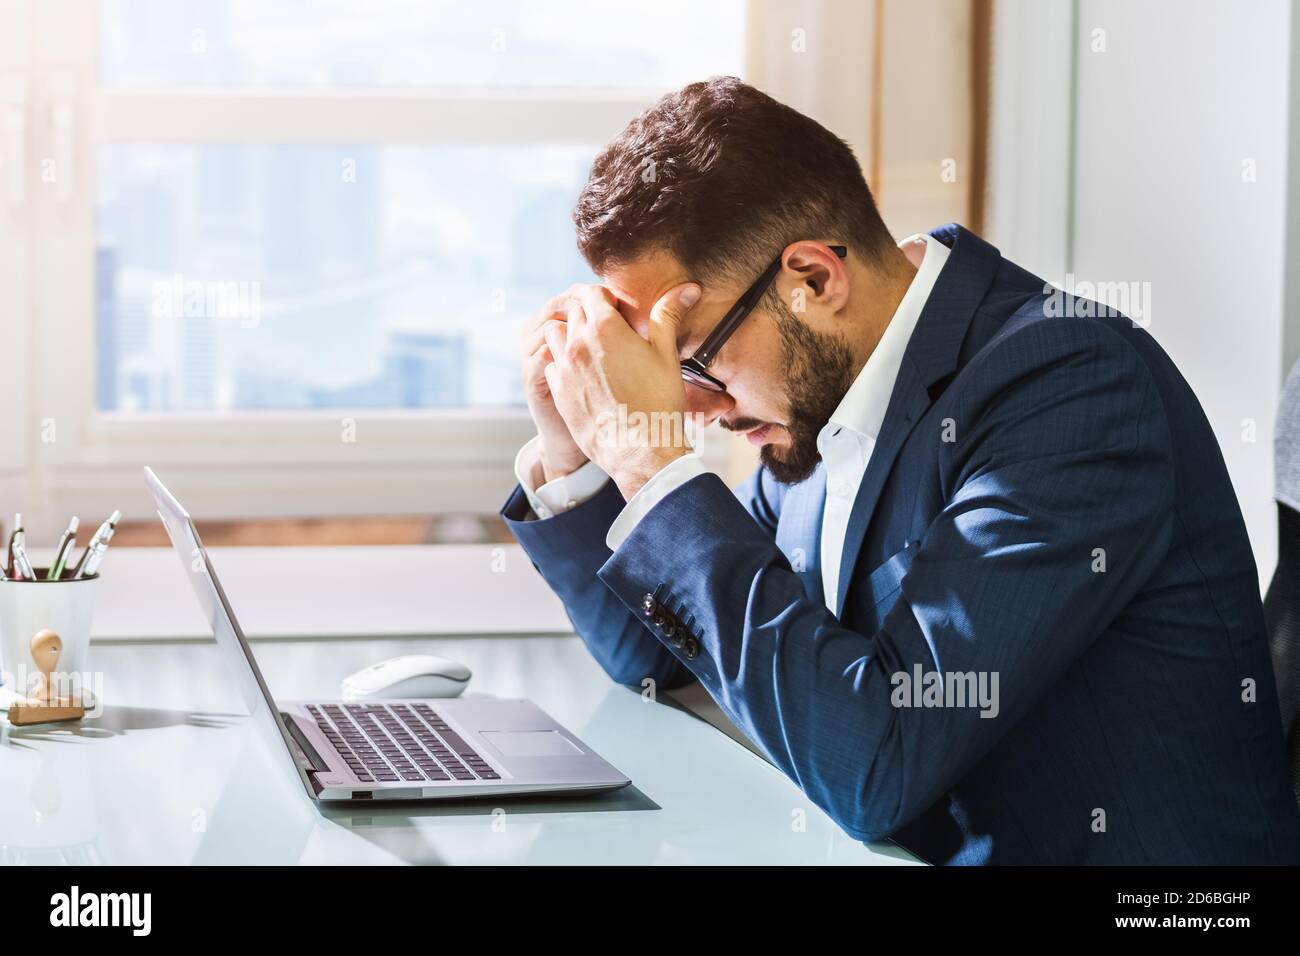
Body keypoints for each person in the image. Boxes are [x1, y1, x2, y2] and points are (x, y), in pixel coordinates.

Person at [500, 76, 1300, 864]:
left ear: (813, 279)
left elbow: (876, 765)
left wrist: (653, 462)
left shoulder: (1072, 387)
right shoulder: (810, 398)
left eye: (694, 362)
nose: (693, 409)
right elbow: (660, 659)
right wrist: (574, 460)